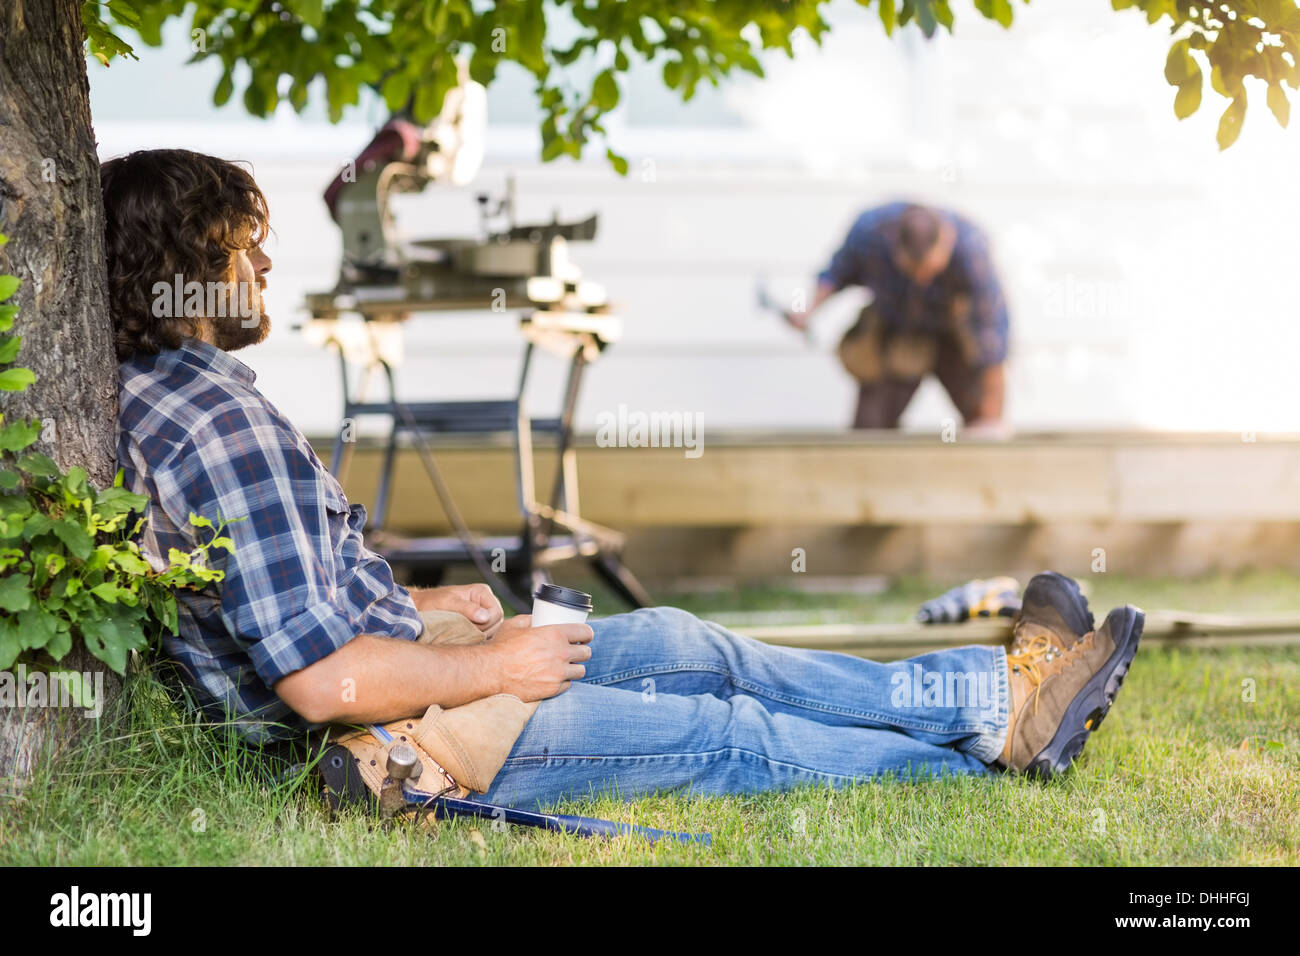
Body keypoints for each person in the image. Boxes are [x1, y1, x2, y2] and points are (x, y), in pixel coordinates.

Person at [108, 151, 1139, 811]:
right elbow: (319, 680)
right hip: (408, 727)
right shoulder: (220, 421)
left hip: (414, 663)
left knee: (693, 643)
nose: (268, 267)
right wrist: (491, 665)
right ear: (193, 257)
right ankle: (1000, 743)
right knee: (726, 734)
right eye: (248, 245)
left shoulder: (178, 398)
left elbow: (275, 596)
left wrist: (421, 601)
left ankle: (992, 696)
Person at [788, 201, 1010, 432]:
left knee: (984, 422)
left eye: (930, 270)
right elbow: (836, 273)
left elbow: (991, 338)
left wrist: (991, 422)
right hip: (896, 333)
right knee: (868, 433)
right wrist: (808, 310)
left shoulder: (972, 250)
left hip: (952, 336)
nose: (922, 279)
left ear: (946, 239)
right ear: (895, 245)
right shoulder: (869, 232)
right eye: (913, 270)